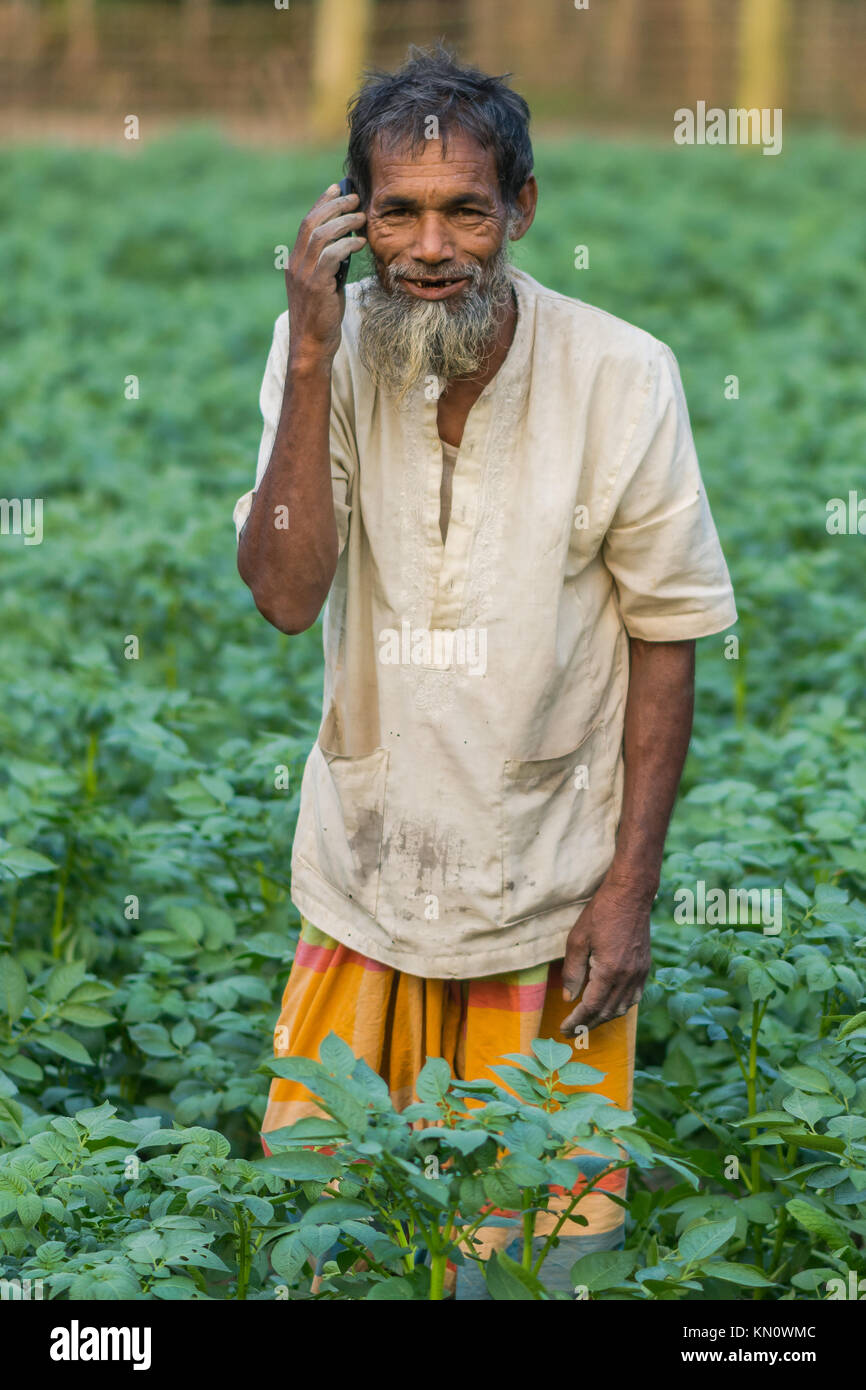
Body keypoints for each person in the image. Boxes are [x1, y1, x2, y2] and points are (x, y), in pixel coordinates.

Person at [234, 44, 737, 1297]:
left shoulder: (622, 375)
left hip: (548, 887)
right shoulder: (329, 353)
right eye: (394, 210)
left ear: (520, 208)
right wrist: (306, 353)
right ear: (347, 214)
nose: (428, 246)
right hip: (365, 871)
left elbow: (664, 637)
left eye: (464, 207)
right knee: (339, 1242)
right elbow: (285, 597)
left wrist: (628, 893)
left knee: (531, 1264)